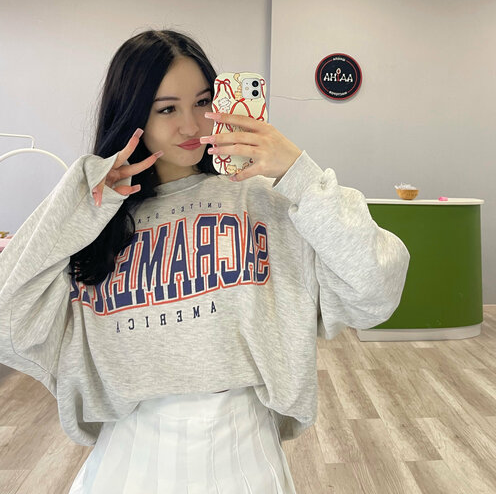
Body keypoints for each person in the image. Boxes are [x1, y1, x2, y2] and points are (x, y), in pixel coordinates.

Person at [0, 29, 411, 493]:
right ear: (133, 113)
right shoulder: (97, 224)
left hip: (244, 455)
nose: (192, 126)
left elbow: (377, 291)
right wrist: (80, 200)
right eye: (167, 109)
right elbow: (6, 319)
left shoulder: (264, 202)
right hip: (127, 460)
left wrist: (299, 173)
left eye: (202, 102)